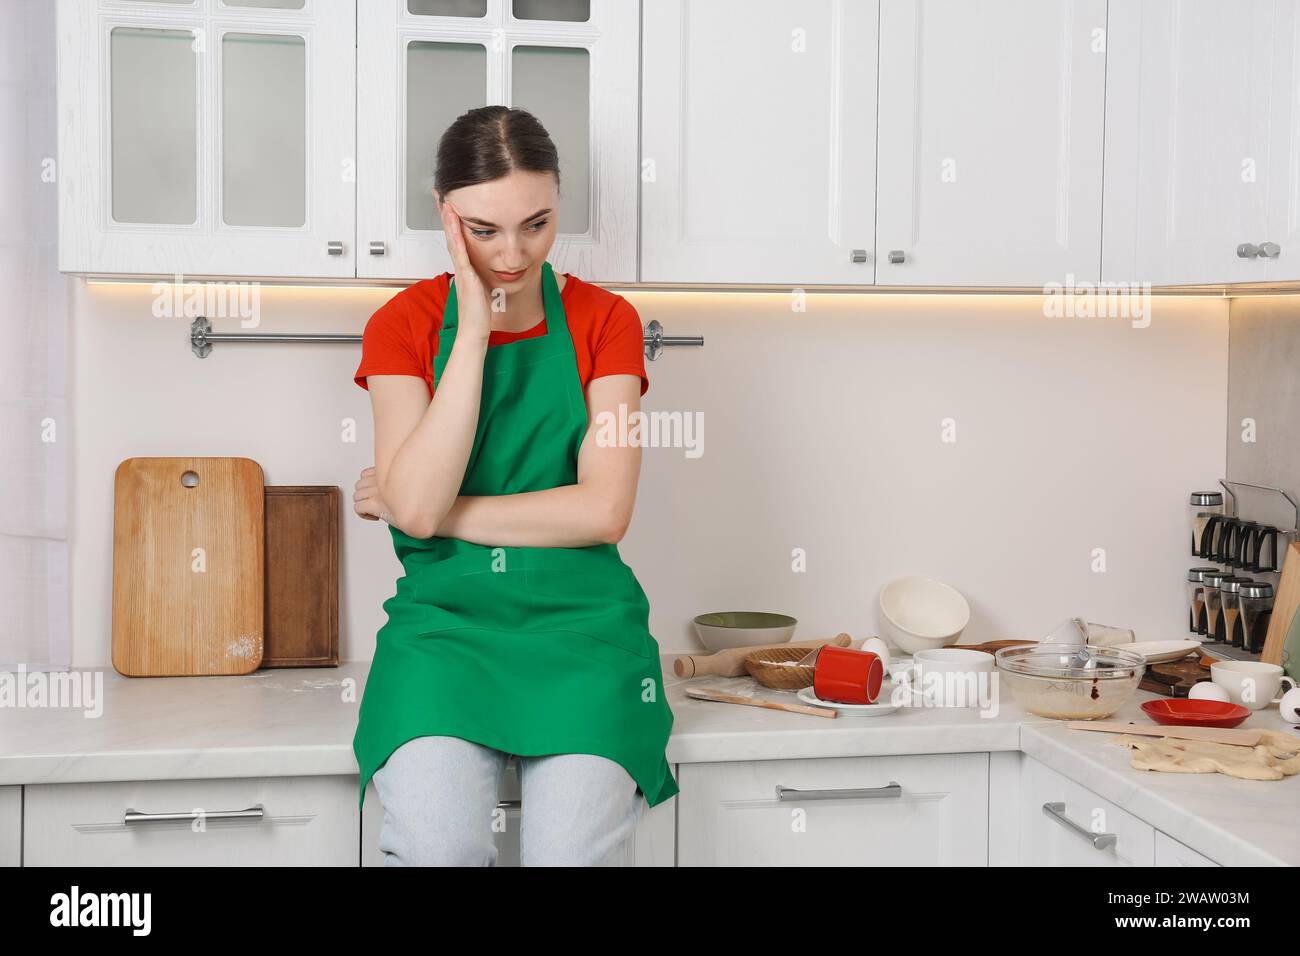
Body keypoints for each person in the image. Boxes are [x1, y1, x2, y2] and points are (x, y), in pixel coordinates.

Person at [349, 106, 678, 866]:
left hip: (584, 635)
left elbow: (604, 510)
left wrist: (426, 509)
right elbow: (418, 507)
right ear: (444, 213)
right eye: (483, 229)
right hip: (444, 633)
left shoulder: (608, 323)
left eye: (536, 223)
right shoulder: (402, 325)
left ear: (559, 199)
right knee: (439, 849)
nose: (512, 253)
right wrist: (471, 328)